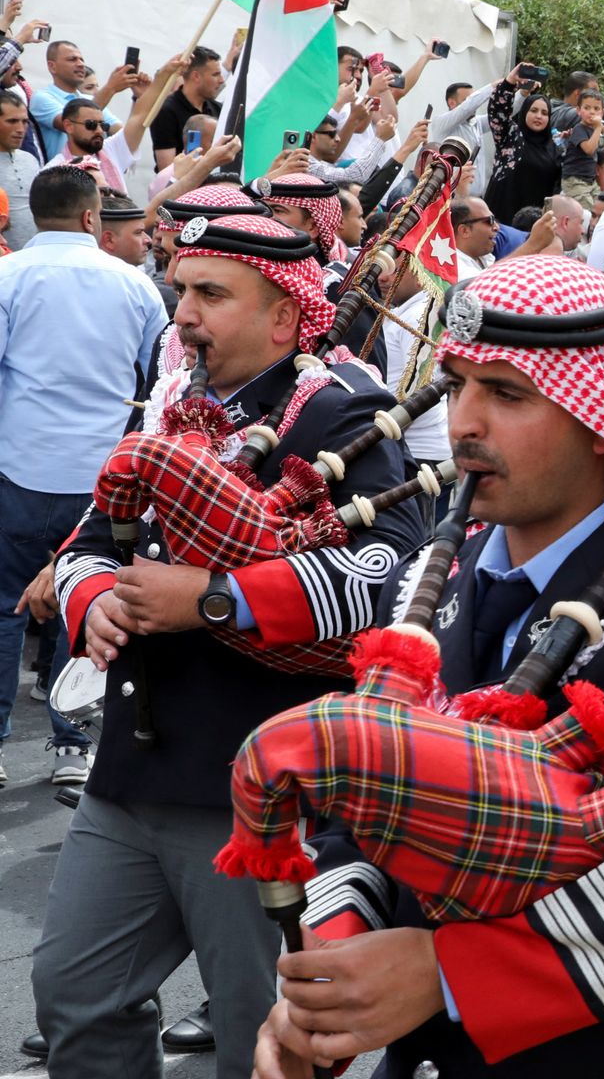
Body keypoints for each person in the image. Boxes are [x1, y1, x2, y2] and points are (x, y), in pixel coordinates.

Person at [259, 254, 604, 1079]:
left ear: (601, 419)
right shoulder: (433, 578)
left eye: (507, 394)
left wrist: (448, 976)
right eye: (457, 386)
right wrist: (340, 967)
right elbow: (374, 785)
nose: (463, 423)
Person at [33, 212, 421, 1079]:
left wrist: (213, 599)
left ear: (285, 315)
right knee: (73, 998)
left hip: (257, 790)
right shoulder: (179, 406)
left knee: (266, 1034)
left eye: (211, 294)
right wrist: (95, 599)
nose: (185, 315)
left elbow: (387, 573)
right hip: (130, 778)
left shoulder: (338, 411)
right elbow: (96, 538)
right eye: (180, 292)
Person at [0, 167, 164, 787]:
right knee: (84, 598)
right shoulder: (134, 285)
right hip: (106, 480)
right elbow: (158, 383)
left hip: (22, 468)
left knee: (5, 609)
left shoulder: (8, 276)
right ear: (93, 218)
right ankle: (73, 747)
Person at [483, 71, 562, 219]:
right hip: (499, 221)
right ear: (524, 112)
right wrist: (510, 82)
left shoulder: (555, 149)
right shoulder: (510, 136)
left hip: (531, 225)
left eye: (544, 113)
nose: (539, 116)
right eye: (533, 110)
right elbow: (498, 111)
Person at [146, 46, 224, 170]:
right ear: (196, 76)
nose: (221, 80)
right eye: (215, 75)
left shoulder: (220, 110)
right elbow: (166, 168)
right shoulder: (166, 111)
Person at [0, 93, 42, 250]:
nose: (20, 129)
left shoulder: (29, 159)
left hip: (34, 256)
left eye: (25, 122)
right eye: (12, 121)